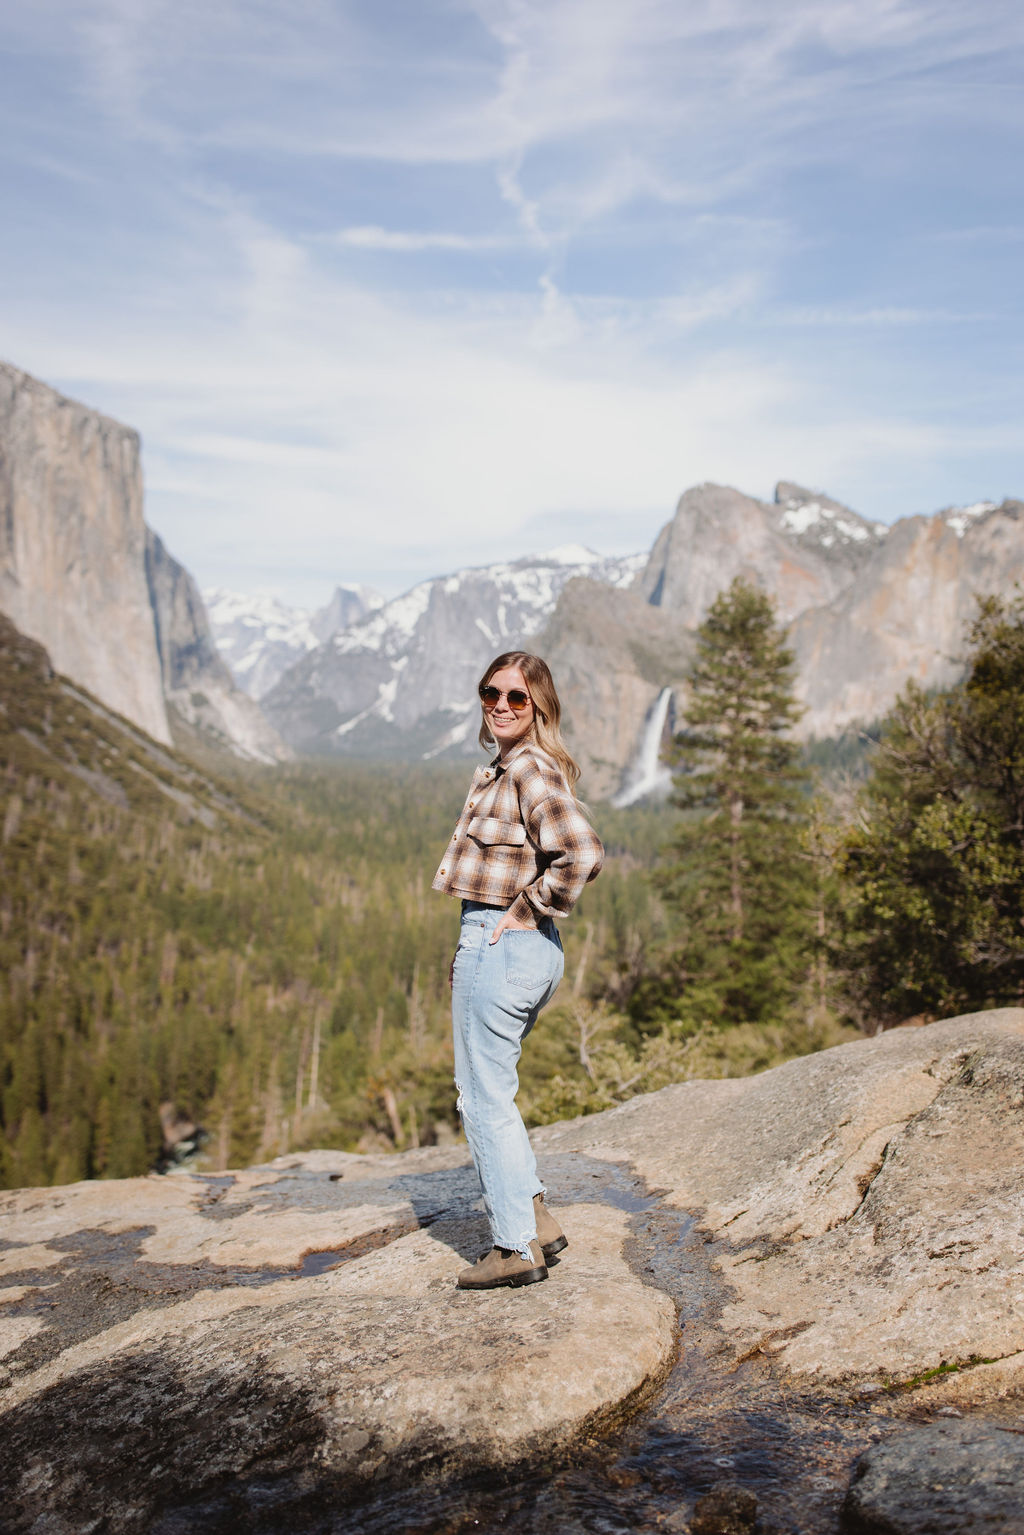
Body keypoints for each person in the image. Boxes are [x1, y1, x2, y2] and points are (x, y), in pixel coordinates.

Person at [432, 650, 604, 1290]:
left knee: (480, 1099)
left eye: (516, 697)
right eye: (490, 692)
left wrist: (523, 911)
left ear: (539, 708)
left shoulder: (528, 768)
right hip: (510, 946)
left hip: (504, 940)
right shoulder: (514, 768)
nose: (499, 705)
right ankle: (535, 1215)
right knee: (493, 1090)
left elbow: (581, 852)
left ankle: (514, 1247)